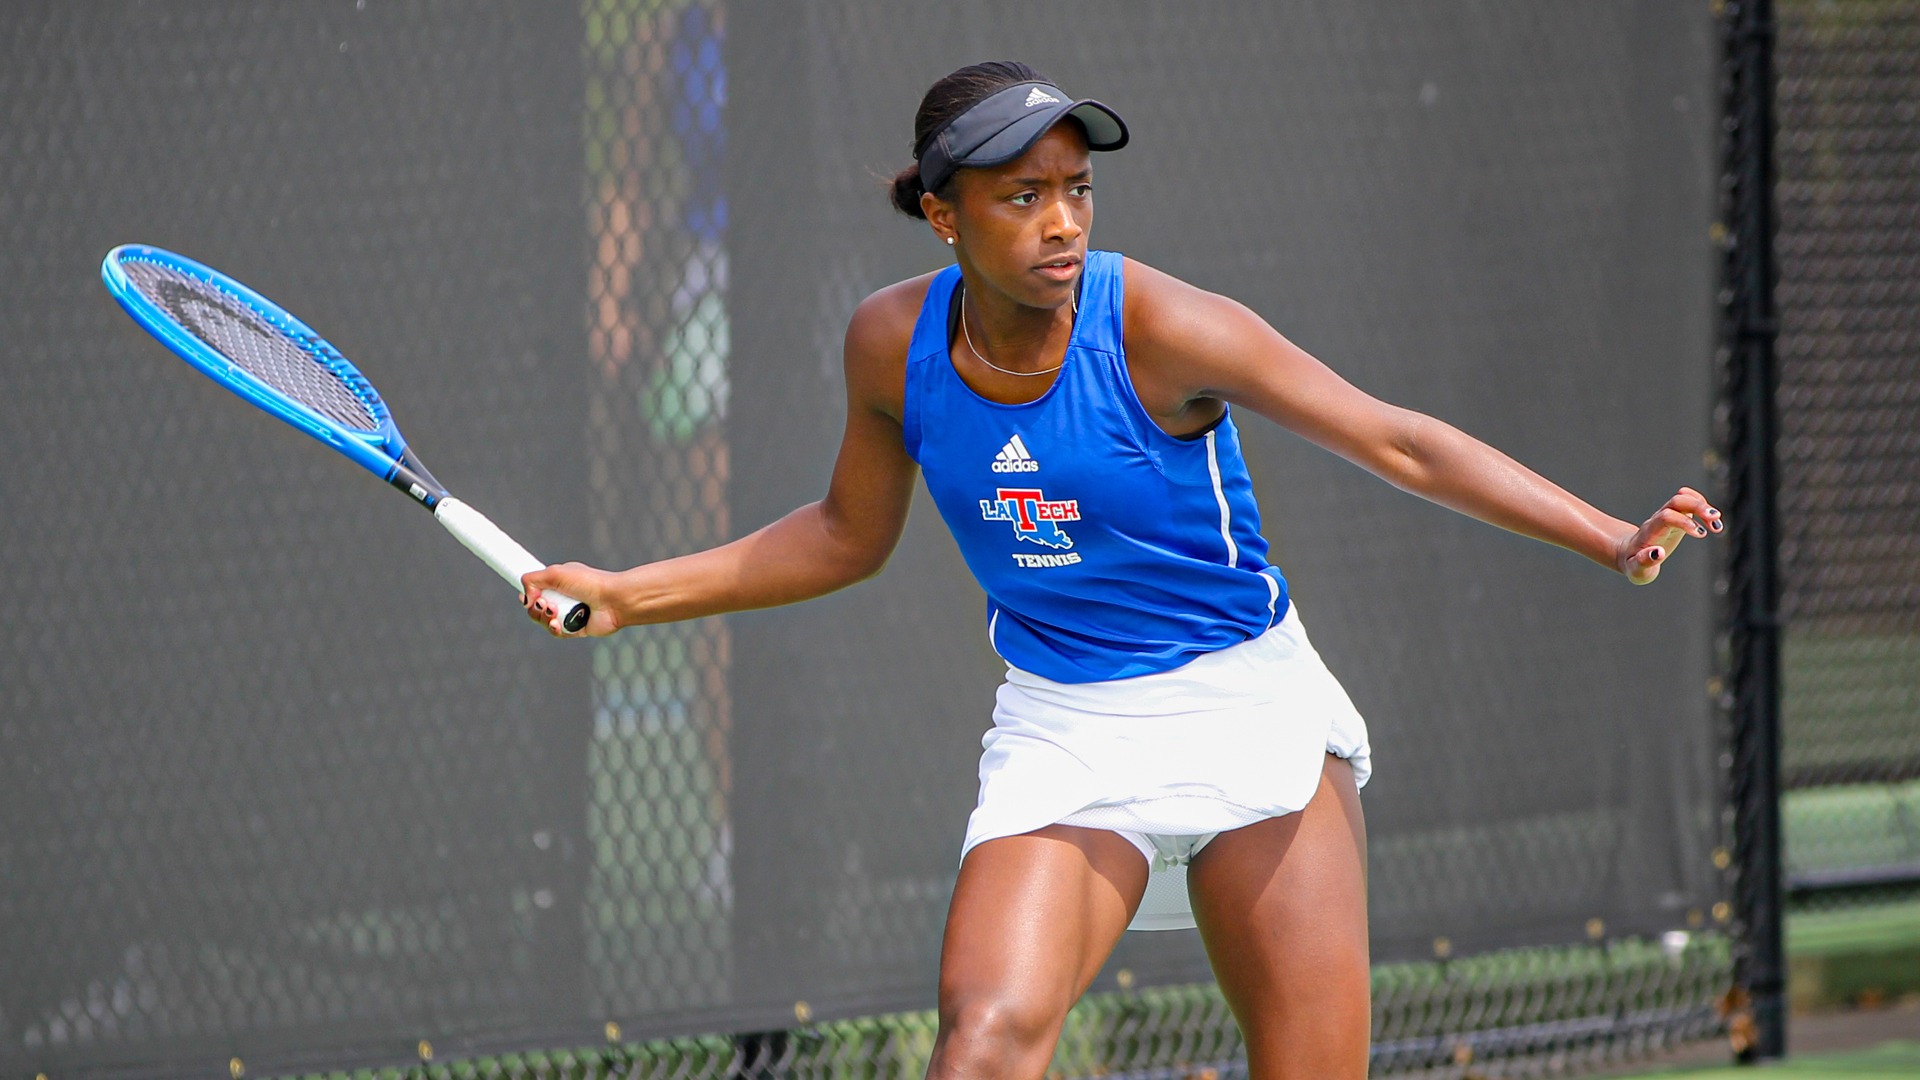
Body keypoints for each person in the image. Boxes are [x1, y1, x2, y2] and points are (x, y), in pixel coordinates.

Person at [522, 60, 1723, 1080]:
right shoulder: (890, 341)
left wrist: (1608, 536)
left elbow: (1396, 437)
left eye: (1078, 189)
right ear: (945, 217)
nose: (1062, 221)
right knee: (984, 1044)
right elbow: (846, 533)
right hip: (1068, 727)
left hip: (1248, 704)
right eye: (1023, 195)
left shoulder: (1162, 326)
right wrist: (632, 594)